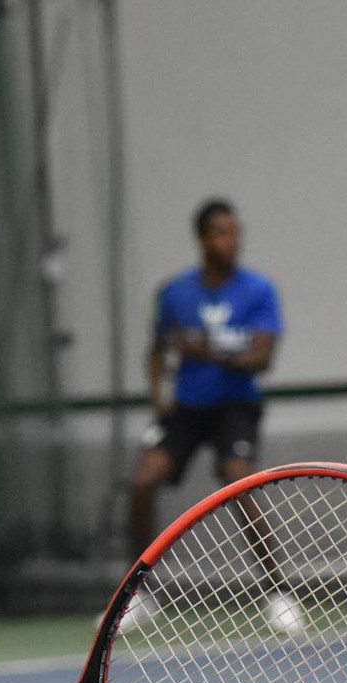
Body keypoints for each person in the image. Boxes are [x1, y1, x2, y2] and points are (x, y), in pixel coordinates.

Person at [125, 198, 283, 559]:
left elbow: (262, 358)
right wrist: (158, 397)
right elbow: (156, 350)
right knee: (143, 482)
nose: (231, 242)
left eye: (235, 233)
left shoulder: (259, 291)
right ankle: (139, 592)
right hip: (188, 408)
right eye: (221, 233)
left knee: (238, 480)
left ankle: (278, 589)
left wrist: (207, 351)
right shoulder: (175, 294)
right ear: (201, 239)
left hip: (236, 405)